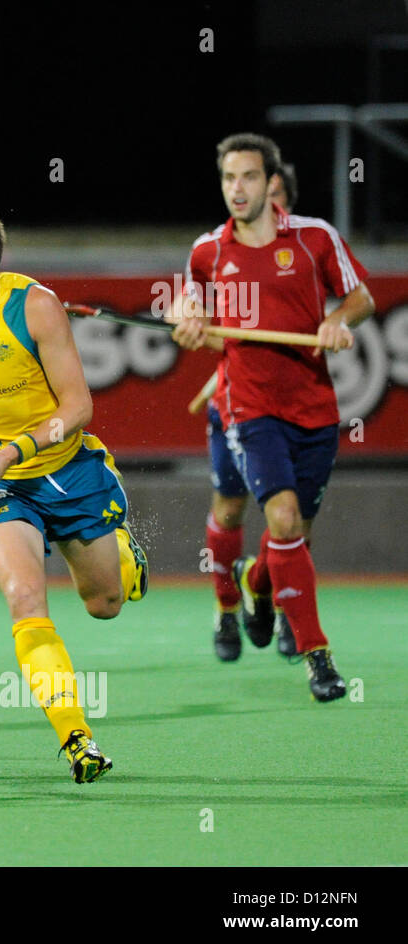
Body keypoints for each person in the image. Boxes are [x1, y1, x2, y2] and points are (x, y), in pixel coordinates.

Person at [0, 201, 148, 783]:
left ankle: (122, 555)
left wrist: (10, 451)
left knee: (105, 603)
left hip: (67, 472)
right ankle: (77, 738)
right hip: (1, 491)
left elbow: (78, 406)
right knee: (23, 594)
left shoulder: (35, 307)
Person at [172, 132, 374, 702]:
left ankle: (258, 586)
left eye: (249, 178)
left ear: (270, 181)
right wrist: (190, 321)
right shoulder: (207, 251)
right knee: (275, 518)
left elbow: (361, 298)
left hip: (313, 407)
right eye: (229, 178)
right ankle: (317, 656)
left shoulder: (314, 238)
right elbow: (191, 306)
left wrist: (339, 320)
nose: (238, 189)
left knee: (293, 536)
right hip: (247, 407)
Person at [193, 160, 299, 662]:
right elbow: (191, 307)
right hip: (237, 409)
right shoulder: (218, 252)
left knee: (291, 523)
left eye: (260, 186)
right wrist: (191, 321)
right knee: (232, 509)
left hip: (298, 411)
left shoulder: (306, 251)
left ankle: (275, 596)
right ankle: (226, 605)